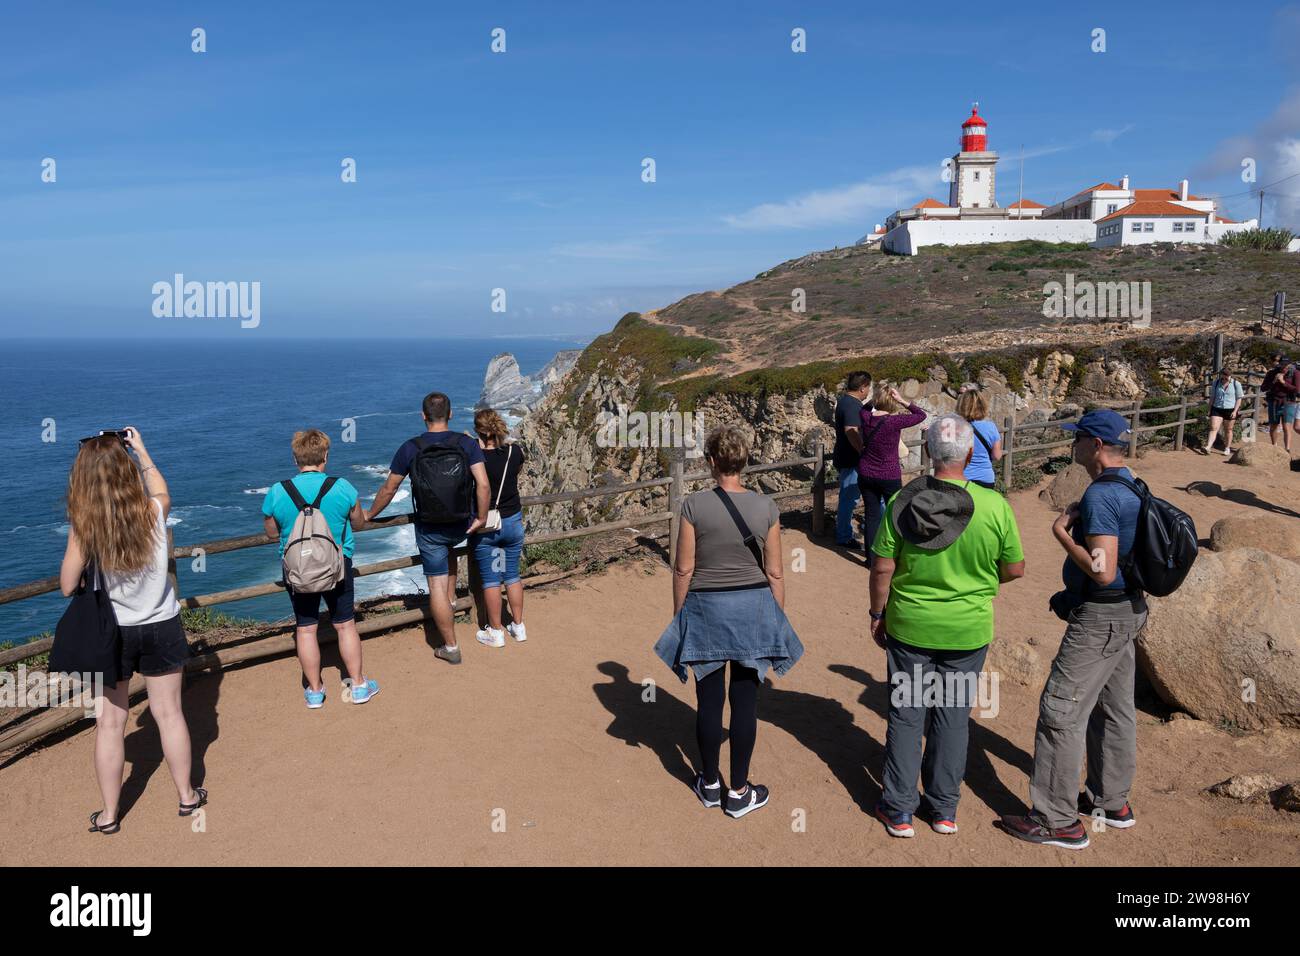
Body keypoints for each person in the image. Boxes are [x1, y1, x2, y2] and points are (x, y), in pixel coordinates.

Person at [868, 414, 1025, 838]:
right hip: (967, 629)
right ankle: (943, 810)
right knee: (953, 717)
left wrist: (877, 614)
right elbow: (1015, 568)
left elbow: (883, 567)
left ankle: (898, 809)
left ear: (927, 453)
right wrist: (984, 580)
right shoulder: (995, 507)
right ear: (971, 453)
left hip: (911, 626)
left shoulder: (903, 501)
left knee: (906, 715)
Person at [1001, 409, 1148, 851]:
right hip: (1129, 610)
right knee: (1115, 705)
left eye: (1078, 439)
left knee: (1060, 711)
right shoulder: (1134, 483)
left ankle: (1056, 821)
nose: (1073, 446)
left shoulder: (1102, 496)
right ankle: (1110, 801)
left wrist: (1061, 533)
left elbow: (1101, 570)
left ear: (1097, 446)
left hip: (1101, 616)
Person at [58, 428, 205, 834]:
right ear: (127, 471)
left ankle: (108, 815)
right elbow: (161, 488)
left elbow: (68, 584)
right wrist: (141, 450)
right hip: (161, 624)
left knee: (109, 723)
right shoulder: (153, 511)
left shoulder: (86, 526)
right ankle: (187, 796)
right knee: (170, 714)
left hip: (114, 633)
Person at [653, 425, 804, 819]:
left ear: (711, 462)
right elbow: (775, 572)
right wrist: (777, 617)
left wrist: (679, 614)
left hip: (706, 608)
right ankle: (738, 791)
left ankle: (709, 783)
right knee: (745, 702)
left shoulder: (693, 506)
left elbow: (683, 568)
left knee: (708, 701)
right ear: (744, 461)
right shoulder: (766, 507)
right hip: (752, 609)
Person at [367, 392, 489, 665]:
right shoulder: (467, 443)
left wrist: (369, 514)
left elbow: (389, 488)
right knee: (454, 557)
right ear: (451, 414)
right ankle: (454, 604)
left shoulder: (411, 448)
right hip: (463, 523)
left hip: (430, 526)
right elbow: (482, 484)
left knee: (435, 584)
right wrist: (480, 517)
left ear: (423, 416)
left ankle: (451, 646)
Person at [262, 429, 377, 706]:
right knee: (345, 625)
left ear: (295, 458)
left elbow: (270, 533)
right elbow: (359, 523)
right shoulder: (342, 487)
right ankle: (359, 685)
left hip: (298, 570)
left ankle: (314, 691)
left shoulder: (278, 491)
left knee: (305, 629)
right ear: (325, 456)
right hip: (337, 566)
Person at [469, 409, 529, 648]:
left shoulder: (474, 457)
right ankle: (518, 626)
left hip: (488, 526)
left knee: (492, 580)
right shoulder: (515, 452)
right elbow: (516, 472)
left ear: (478, 431)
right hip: (512, 521)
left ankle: (495, 632)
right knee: (512, 575)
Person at [858, 383, 927, 565]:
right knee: (897, 514)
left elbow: (865, 407)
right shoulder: (894, 422)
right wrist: (902, 400)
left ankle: (871, 559)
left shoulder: (865, 418)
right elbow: (921, 415)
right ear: (892, 402)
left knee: (872, 515)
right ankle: (898, 554)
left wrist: (878, 396)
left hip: (866, 473)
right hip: (889, 475)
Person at [833, 371, 874, 547]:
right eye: (869, 387)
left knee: (850, 498)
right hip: (852, 460)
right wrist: (863, 451)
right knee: (849, 500)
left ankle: (846, 533)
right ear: (862, 387)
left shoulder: (845, 401)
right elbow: (851, 430)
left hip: (847, 458)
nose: (869, 391)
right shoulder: (851, 405)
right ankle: (844, 536)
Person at [956, 388, 1003, 489]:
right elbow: (997, 456)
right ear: (982, 406)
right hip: (985, 478)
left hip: (961, 479)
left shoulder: (956, 427)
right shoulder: (991, 427)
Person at [1202, 366, 1244, 457]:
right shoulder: (1216, 383)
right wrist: (1209, 409)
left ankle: (1227, 448)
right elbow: (1212, 397)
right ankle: (1208, 446)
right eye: (1224, 375)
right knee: (1213, 427)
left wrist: (1235, 411)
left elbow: (1239, 398)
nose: (1225, 378)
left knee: (1228, 429)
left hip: (1230, 409)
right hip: (1217, 408)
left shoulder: (1236, 384)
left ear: (1230, 376)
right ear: (1221, 375)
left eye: (1227, 376)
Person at [1262, 353, 1297, 451]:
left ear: (1290, 364)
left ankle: (1287, 449)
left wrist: (1283, 382)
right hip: (1274, 401)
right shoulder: (1272, 373)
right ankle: (1274, 447)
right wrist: (1273, 381)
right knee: (1273, 425)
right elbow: (1263, 388)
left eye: (1286, 365)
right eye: (1282, 364)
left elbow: (1297, 390)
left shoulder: (1295, 373)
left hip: (1288, 402)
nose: (1284, 367)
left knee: (1287, 426)